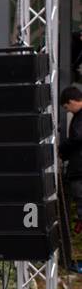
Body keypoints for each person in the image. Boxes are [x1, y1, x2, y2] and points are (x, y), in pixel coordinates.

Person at [61, 86, 82, 256]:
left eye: (67, 107)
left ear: (72, 101)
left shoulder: (80, 118)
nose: (68, 111)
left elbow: (77, 138)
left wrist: (62, 148)